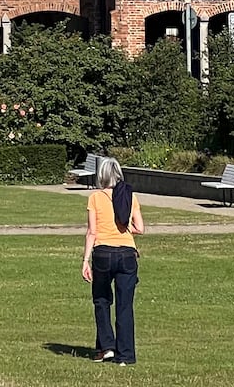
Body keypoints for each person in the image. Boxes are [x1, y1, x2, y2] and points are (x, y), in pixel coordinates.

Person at [83, 156, 144, 365]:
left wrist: (85, 260)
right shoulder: (129, 196)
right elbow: (140, 228)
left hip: (102, 253)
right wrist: (125, 229)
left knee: (101, 300)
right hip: (127, 254)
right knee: (124, 305)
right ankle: (126, 355)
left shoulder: (95, 197)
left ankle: (106, 346)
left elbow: (92, 231)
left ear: (101, 176)